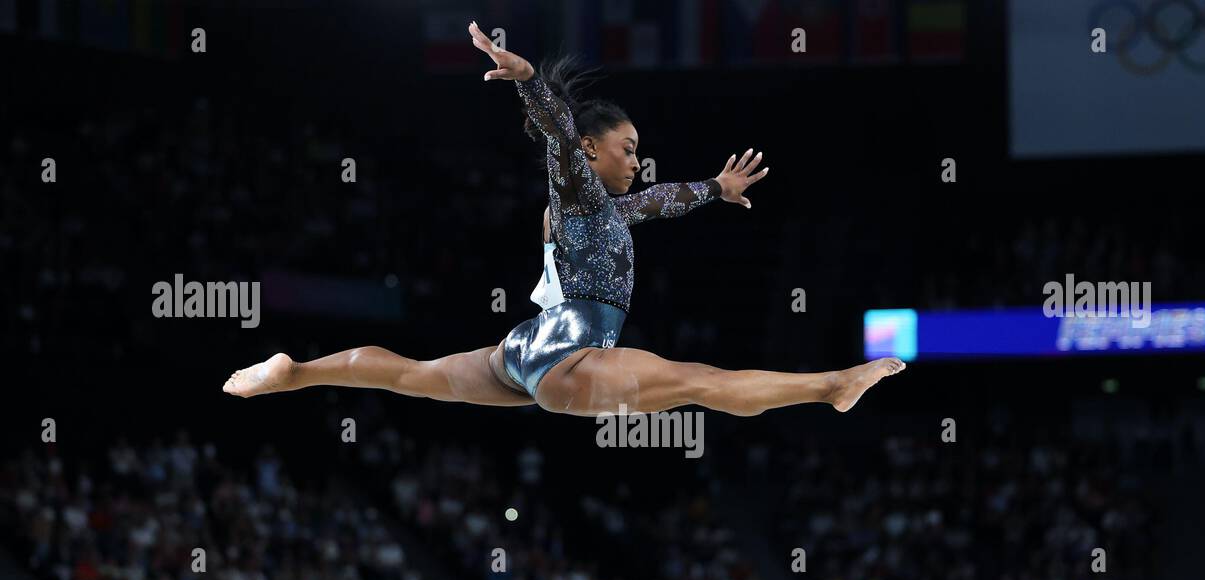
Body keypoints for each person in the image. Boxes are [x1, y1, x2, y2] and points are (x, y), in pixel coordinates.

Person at [223, 21, 906, 417]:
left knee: (408, 373)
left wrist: (714, 188)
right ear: (589, 149)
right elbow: (555, 133)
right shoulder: (574, 188)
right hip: (568, 352)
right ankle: (832, 385)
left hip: (525, 349)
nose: (638, 162)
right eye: (629, 149)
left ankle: (296, 372)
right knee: (704, 382)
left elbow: (655, 202)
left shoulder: (602, 212)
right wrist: (529, 81)